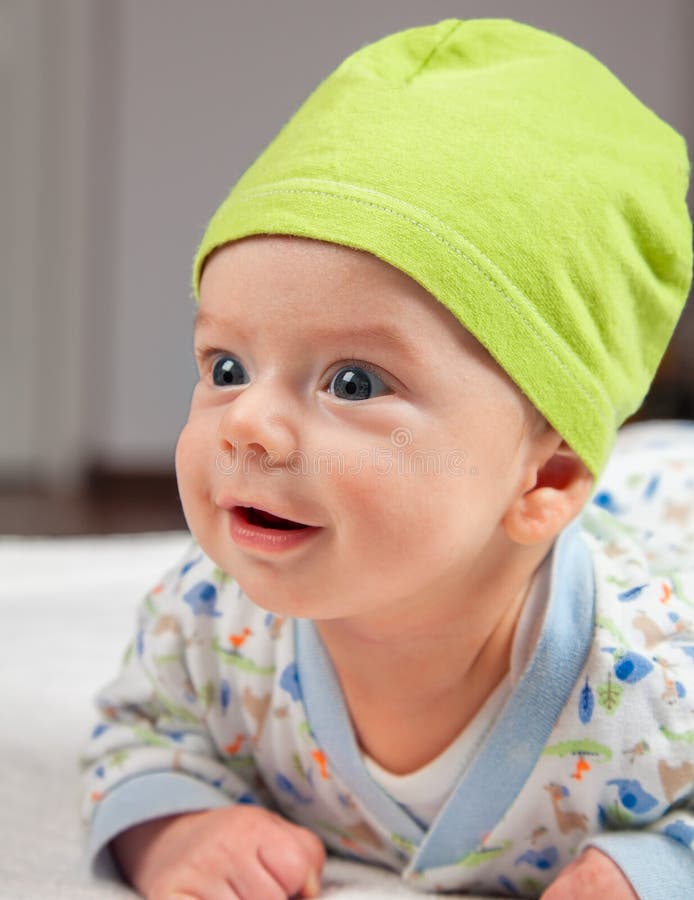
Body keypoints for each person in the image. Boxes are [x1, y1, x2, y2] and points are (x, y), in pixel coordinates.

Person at [80, 18, 694, 899]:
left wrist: (652, 868)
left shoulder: (650, 681)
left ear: (547, 478)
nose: (247, 422)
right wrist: (174, 827)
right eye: (226, 367)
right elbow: (139, 733)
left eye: (354, 382)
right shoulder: (210, 620)